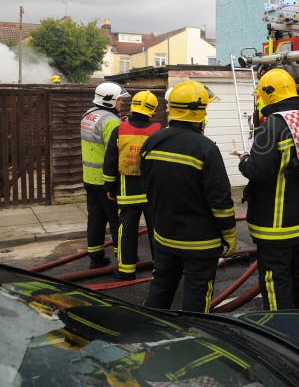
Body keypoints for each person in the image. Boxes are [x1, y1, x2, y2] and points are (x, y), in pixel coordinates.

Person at [239, 68, 299, 310]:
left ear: (268, 95)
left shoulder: (273, 126)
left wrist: (244, 159)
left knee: (275, 280)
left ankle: (281, 332)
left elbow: (256, 170)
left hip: (274, 225)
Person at [141, 81, 236, 312]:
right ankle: (195, 339)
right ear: (199, 112)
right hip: (201, 243)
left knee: (161, 287)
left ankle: (149, 330)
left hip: (164, 237)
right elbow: (220, 200)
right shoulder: (206, 149)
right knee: (197, 295)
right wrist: (230, 233)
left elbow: (149, 188)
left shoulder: (152, 142)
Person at [103, 90, 161, 280]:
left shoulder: (119, 130)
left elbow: (110, 162)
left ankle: (126, 271)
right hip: (153, 194)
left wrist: (110, 188)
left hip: (127, 192)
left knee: (126, 232)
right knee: (157, 232)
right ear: (153, 110)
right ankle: (160, 270)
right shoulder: (158, 131)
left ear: (133, 105)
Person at [81, 81, 129, 269]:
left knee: (95, 219)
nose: (121, 104)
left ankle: (96, 257)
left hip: (89, 179)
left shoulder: (88, 115)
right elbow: (115, 152)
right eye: (119, 100)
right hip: (106, 181)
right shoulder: (110, 121)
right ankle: (122, 258)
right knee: (116, 220)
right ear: (109, 101)